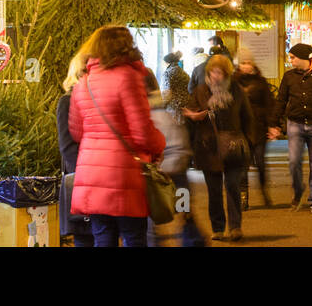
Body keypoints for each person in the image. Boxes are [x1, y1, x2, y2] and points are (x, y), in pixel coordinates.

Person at [68, 25, 166, 247]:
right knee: (134, 237)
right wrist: (160, 144)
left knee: (102, 238)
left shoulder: (83, 82)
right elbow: (142, 133)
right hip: (125, 175)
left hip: (91, 174)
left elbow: (76, 132)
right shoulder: (128, 77)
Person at [185, 54, 254, 242]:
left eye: (221, 73)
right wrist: (193, 116)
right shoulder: (200, 91)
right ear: (208, 72)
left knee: (232, 186)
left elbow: (247, 117)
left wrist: (249, 144)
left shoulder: (236, 90)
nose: (217, 76)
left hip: (232, 146)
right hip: (209, 148)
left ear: (227, 74)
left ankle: (235, 226)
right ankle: (217, 228)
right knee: (214, 191)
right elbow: (190, 113)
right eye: (214, 72)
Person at [269, 43, 312, 213]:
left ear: (302, 58)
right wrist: (274, 124)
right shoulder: (288, 77)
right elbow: (281, 101)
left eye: (293, 57)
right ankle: (298, 191)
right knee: (294, 162)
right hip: (295, 124)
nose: (290, 60)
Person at [146, 70, 206, 246]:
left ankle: (154, 242)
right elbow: (181, 142)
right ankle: (193, 241)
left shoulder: (147, 117)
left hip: (158, 176)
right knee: (184, 211)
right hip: (178, 170)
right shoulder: (167, 115)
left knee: (153, 216)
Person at [56, 48, 93, 246]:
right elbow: (67, 147)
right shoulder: (67, 101)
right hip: (82, 181)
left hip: (102, 181)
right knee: (85, 237)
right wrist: (85, 175)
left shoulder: (100, 100)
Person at [234, 50, 277, 209]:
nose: (246, 66)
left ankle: (265, 193)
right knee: (243, 165)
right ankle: (243, 197)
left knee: (260, 162)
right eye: (243, 63)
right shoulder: (233, 82)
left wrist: (272, 124)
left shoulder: (260, 82)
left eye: (248, 63)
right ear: (238, 65)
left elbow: (269, 104)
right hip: (240, 129)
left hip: (259, 127)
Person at [161, 51, 190, 122]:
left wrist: (162, 105)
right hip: (186, 106)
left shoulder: (167, 73)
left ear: (167, 62)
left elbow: (166, 93)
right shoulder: (183, 72)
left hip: (174, 108)